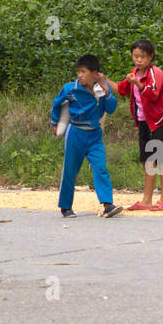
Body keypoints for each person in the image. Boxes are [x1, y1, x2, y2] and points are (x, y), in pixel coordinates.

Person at [50, 55, 121, 218]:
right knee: (70, 169)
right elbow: (57, 104)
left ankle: (108, 205)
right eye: (78, 72)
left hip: (94, 135)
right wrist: (55, 123)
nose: (80, 75)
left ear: (95, 73)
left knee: (100, 167)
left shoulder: (100, 91)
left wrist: (108, 91)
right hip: (75, 133)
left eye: (83, 71)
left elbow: (110, 109)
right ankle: (66, 206)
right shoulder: (71, 88)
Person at [110, 39, 163, 211]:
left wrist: (138, 83)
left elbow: (153, 93)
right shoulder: (134, 73)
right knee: (148, 161)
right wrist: (101, 79)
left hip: (159, 121)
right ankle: (146, 200)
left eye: (142, 57)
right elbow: (120, 89)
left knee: (162, 161)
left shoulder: (156, 73)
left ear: (150, 57)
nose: (138, 60)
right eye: (135, 56)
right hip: (144, 122)